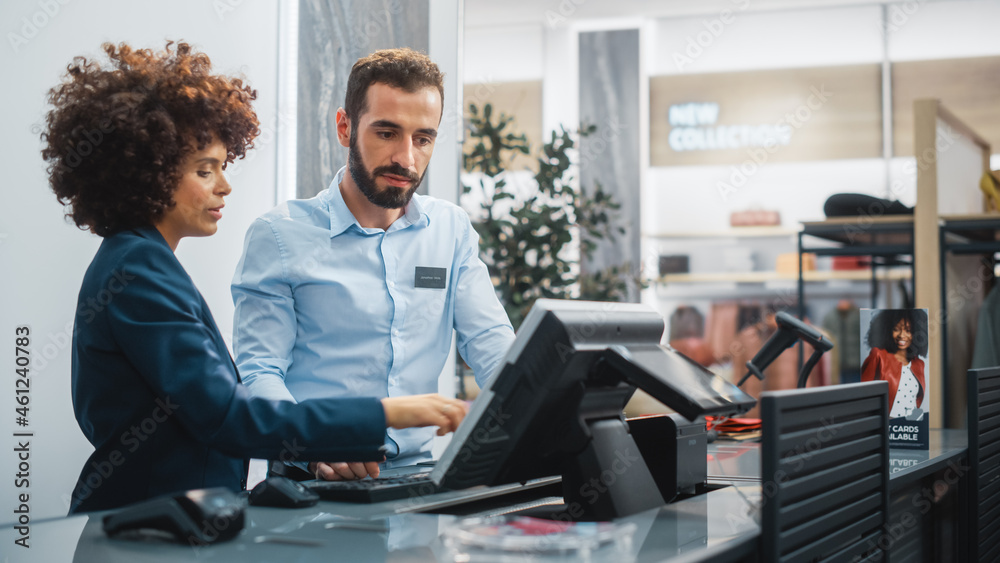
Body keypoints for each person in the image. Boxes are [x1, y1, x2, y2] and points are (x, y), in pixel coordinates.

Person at [41, 41, 467, 514]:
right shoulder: (137, 271)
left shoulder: (143, 262)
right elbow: (231, 417)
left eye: (223, 166)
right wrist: (391, 412)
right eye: (205, 170)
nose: (224, 185)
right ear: (149, 172)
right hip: (140, 531)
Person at [232, 48, 515, 481]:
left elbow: (493, 345)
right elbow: (259, 371)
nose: (407, 158)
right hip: (313, 477)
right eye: (386, 133)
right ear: (345, 127)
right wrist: (310, 447)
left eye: (423, 138)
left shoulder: (451, 230)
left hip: (422, 476)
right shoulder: (279, 235)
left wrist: (538, 406)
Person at [861, 309, 929, 420]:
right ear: (887, 330)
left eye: (908, 330)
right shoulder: (878, 355)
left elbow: (916, 400)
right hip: (887, 424)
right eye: (896, 329)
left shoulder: (919, 364)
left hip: (910, 424)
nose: (902, 335)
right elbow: (862, 394)